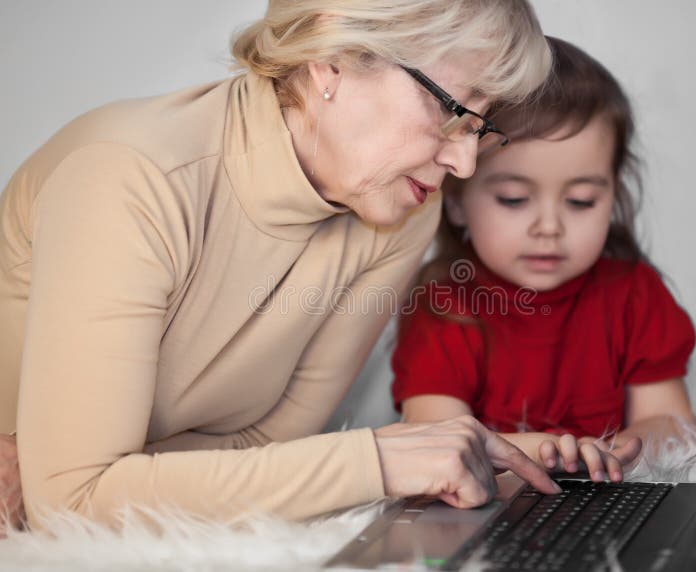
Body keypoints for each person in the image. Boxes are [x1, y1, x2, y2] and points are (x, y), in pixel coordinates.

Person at [0, 1, 559, 534]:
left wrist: (102, 476)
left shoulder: (401, 205)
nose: (463, 164)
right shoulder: (129, 176)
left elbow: (271, 444)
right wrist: (381, 460)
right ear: (331, 56)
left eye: (480, 128)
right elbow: (74, 505)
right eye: (452, 110)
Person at [392, 37, 696, 484]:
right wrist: (542, 452)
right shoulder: (444, 305)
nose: (549, 226)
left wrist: (619, 452)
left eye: (580, 201)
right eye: (515, 199)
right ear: (457, 200)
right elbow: (432, 438)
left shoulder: (636, 294)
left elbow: (671, 423)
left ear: (612, 195)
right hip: (493, 516)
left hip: (602, 508)